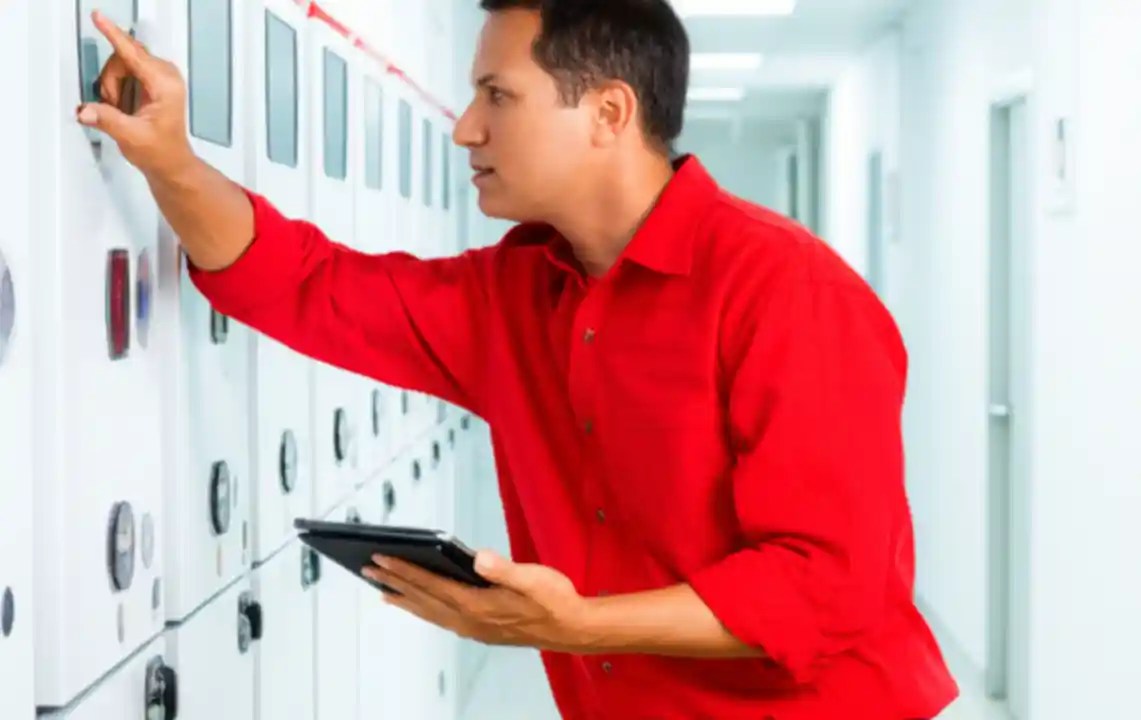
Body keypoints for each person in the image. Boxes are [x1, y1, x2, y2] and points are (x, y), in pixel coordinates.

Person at [78, 0, 959, 717]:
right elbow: (303, 284)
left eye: (497, 95)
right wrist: (170, 162)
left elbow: (828, 583)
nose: (465, 129)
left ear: (608, 113)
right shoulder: (517, 294)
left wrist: (581, 626)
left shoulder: (787, 291)